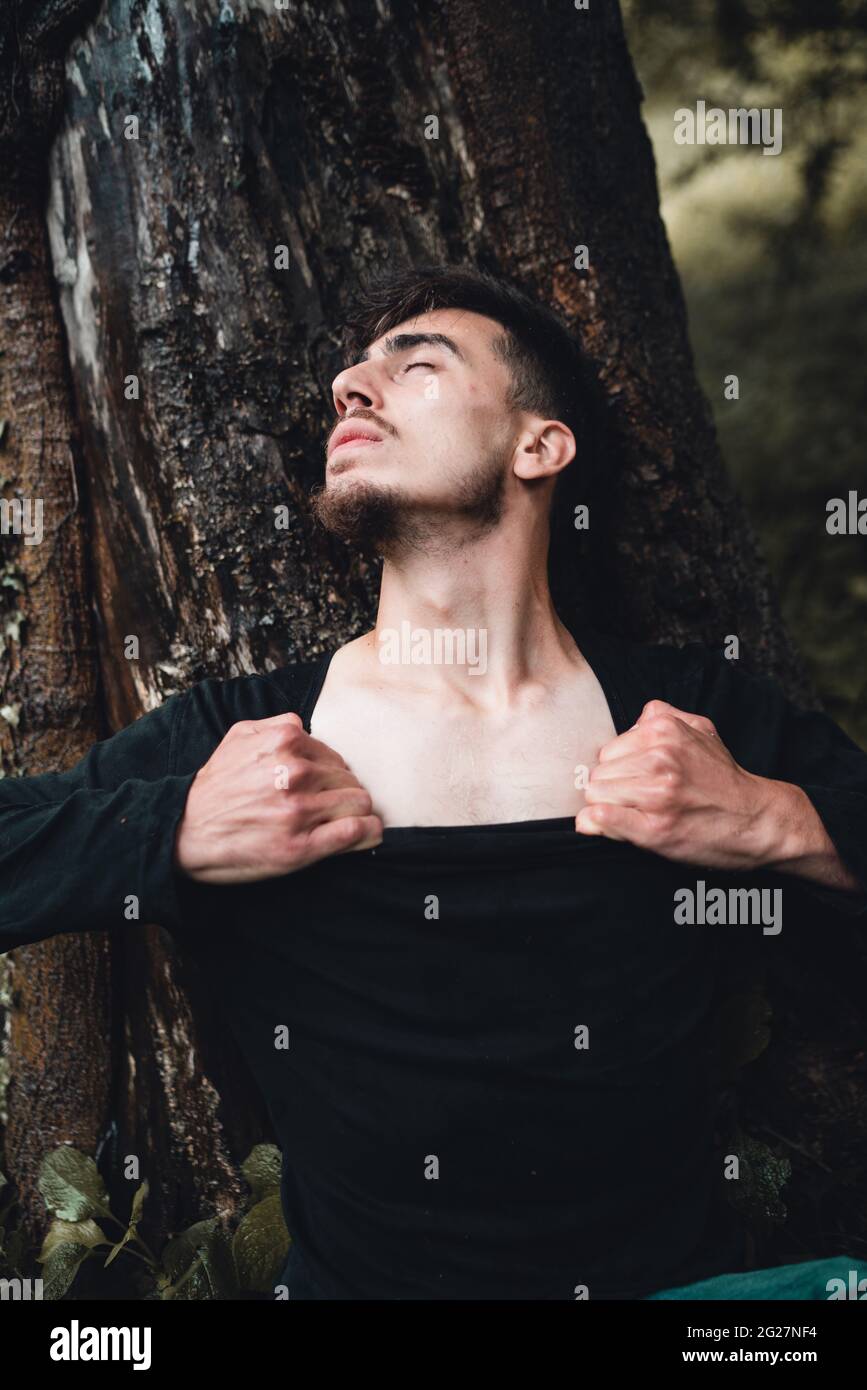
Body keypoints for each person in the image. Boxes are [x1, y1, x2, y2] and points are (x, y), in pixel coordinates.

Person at [2, 265, 866, 1301]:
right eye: (352, 373)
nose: (350, 389)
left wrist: (779, 821)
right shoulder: (242, 743)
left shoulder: (688, 719)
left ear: (539, 444)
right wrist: (166, 827)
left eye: (414, 365)